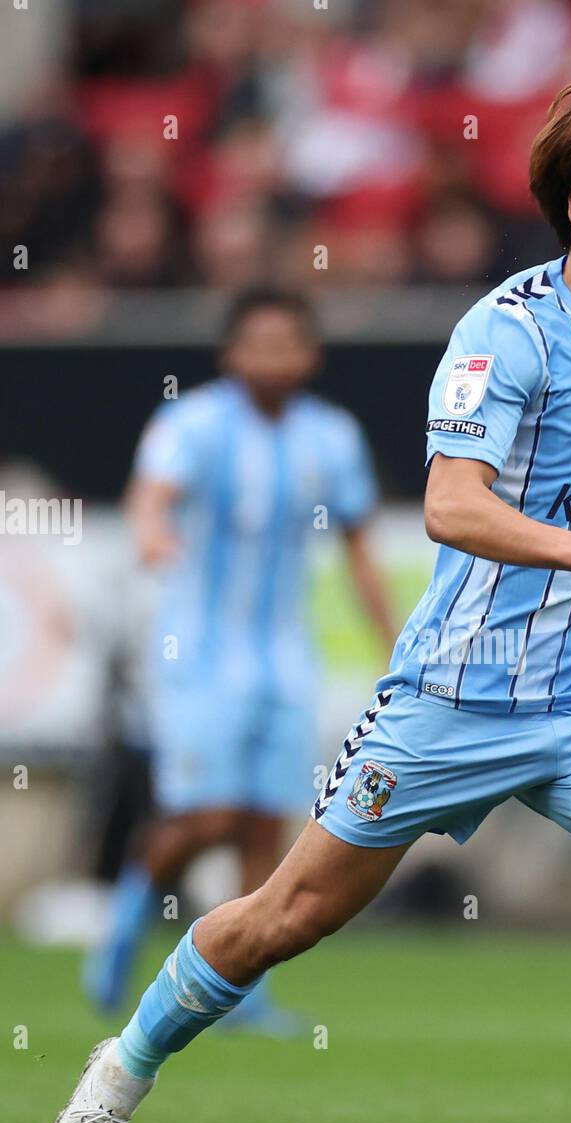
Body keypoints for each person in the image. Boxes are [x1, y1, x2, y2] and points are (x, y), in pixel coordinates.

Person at [41, 78, 571, 1123]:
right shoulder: (508, 332)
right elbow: (452, 507)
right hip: (452, 701)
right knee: (281, 919)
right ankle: (118, 1073)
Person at [81, 287, 397, 1032]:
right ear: (231, 352)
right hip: (198, 650)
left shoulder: (331, 436)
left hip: (284, 654)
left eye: (288, 344)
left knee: (266, 824)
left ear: (309, 354)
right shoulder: (191, 422)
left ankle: (241, 989)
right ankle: (127, 918)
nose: (273, 359)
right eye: (259, 344)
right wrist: (154, 532)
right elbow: (150, 495)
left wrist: (395, 640)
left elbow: (357, 546)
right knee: (207, 813)